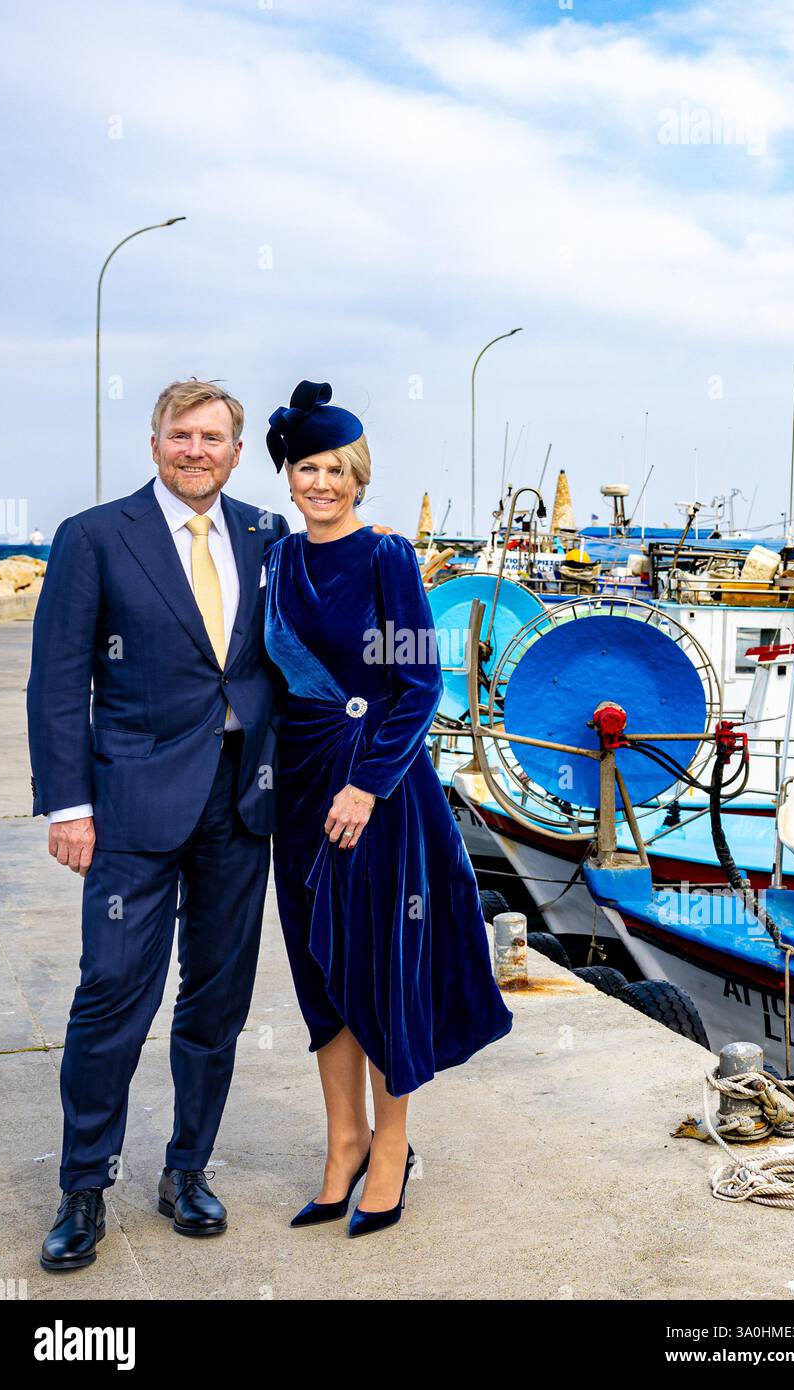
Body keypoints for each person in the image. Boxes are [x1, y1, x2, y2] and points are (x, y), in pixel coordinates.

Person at [27, 379, 288, 1271]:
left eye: (213, 437)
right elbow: (58, 682)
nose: (196, 450)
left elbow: (286, 665)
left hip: (240, 805)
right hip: (133, 807)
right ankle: (83, 1186)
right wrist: (69, 804)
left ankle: (187, 1169)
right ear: (154, 444)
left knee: (217, 1000)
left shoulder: (265, 534)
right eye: (182, 435)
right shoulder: (94, 537)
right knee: (111, 997)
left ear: (236, 452)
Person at [263, 381, 514, 1238]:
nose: (320, 482)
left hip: (375, 793)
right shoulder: (279, 563)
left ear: (359, 477)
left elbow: (420, 685)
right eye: (306, 467)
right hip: (299, 789)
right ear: (288, 476)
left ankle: (394, 1148)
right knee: (317, 973)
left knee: (377, 968)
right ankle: (343, 1144)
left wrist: (365, 785)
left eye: (335, 468)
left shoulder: (387, 557)